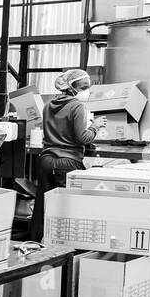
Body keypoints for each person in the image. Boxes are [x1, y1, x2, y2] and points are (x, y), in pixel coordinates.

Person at [30, 68, 104, 241]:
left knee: (43, 206)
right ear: (72, 87)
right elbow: (82, 138)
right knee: (66, 211)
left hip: (46, 161)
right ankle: (63, 246)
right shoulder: (77, 106)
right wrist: (96, 126)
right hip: (67, 163)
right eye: (84, 87)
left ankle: (36, 243)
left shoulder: (48, 105)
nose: (87, 91)